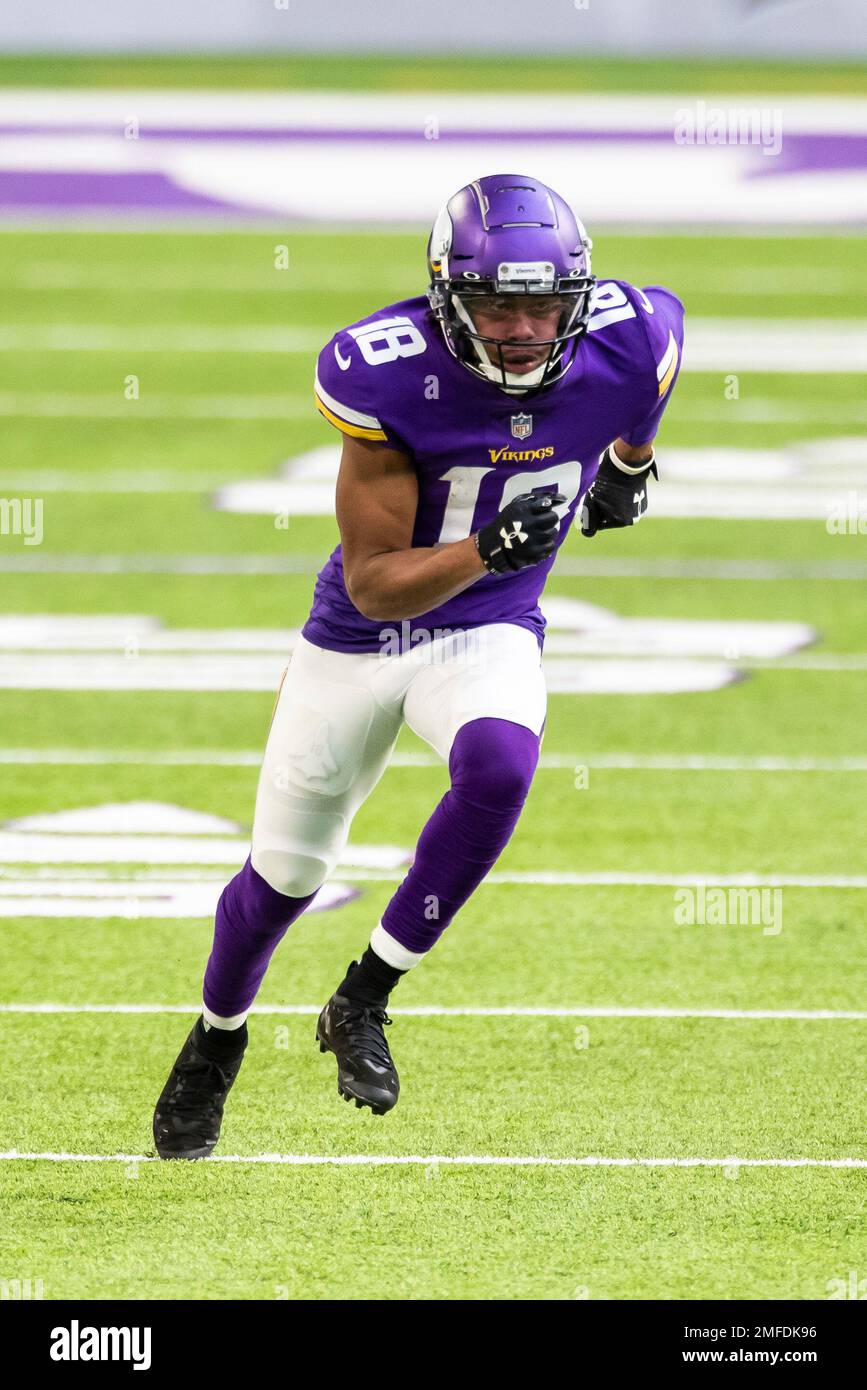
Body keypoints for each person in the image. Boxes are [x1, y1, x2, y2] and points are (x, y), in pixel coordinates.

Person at [153, 173, 684, 1158]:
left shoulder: (633, 336)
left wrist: (628, 466)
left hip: (488, 630)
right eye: (498, 304)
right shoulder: (388, 374)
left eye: (543, 304)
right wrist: (489, 546)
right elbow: (373, 585)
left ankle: (363, 998)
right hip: (362, 640)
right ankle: (217, 1036)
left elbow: (657, 363)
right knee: (283, 876)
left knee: (501, 768)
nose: (524, 328)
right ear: (448, 299)